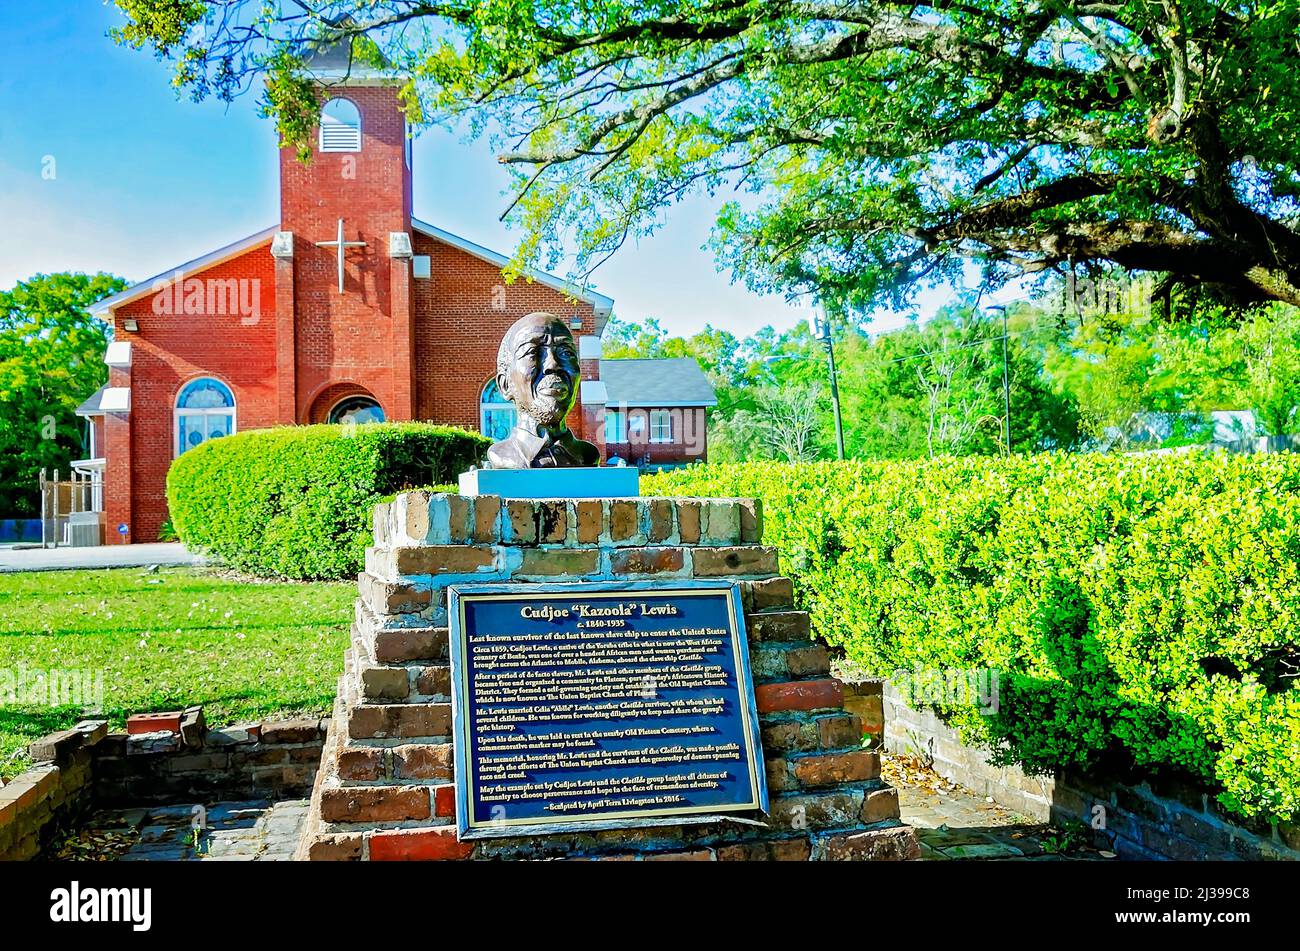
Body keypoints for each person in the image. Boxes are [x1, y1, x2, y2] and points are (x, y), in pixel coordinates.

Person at [486, 312, 601, 469]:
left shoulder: (588, 456)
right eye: (532, 352)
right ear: (506, 385)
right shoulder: (502, 457)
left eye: (566, 353)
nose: (552, 365)